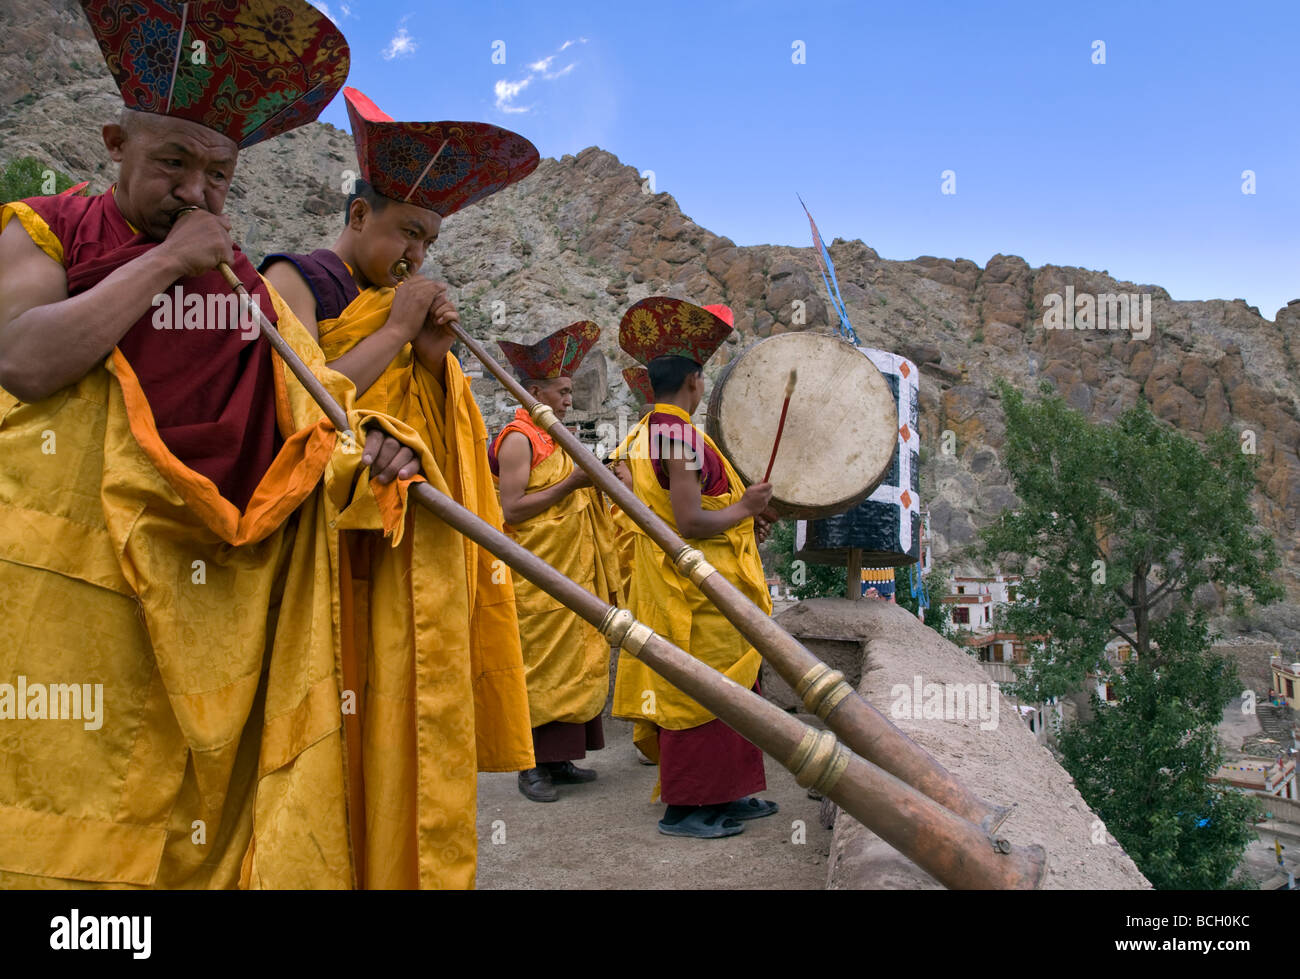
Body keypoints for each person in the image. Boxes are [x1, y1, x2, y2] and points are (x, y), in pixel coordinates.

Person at [0, 0, 403, 888]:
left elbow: (305, 406)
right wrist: (166, 262)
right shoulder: (47, 228)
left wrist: (373, 449)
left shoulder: (242, 283)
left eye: (218, 175)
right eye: (171, 162)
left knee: (180, 815)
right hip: (65, 592)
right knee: (62, 804)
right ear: (115, 142)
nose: (195, 192)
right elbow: (25, 360)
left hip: (203, 593)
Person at [258, 87, 540, 887]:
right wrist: (392, 331)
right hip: (321, 545)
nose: (417, 255)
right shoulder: (293, 277)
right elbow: (300, 403)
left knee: (400, 727)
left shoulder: (404, 313)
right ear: (358, 216)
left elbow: (450, 451)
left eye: (430, 240)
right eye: (407, 232)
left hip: (408, 550)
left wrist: (429, 357)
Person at [609, 297, 779, 838]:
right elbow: (688, 520)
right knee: (702, 694)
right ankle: (686, 809)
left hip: (705, 586)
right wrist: (746, 510)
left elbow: (703, 505)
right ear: (695, 381)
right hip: (697, 590)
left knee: (733, 691)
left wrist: (744, 515)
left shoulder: (652, 430)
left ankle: (729, 795)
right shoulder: (676, 434)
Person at [488, 322, 622, 802]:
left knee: (573, 660)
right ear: (535, 391)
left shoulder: (555, 436)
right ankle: (530, 767)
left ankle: (560, 759)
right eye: (561, 391)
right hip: (536, 573)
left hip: (571, 570)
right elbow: (512, 509)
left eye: (569, 392)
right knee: (539, 665)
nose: (568, 399)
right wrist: (574, 485)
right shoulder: (519, 438)